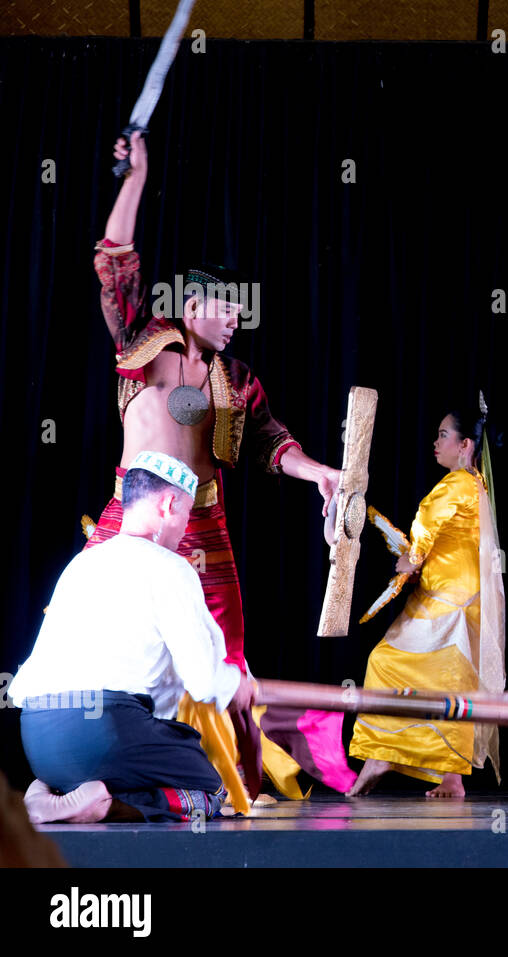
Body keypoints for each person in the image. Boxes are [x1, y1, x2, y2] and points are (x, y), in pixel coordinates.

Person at [88, 132, 347, 809]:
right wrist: (136, 176)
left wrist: (317, 472)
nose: (235, 320)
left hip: (203, 524)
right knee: (98, 624)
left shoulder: (237, 380)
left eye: (240, 310)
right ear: (194, 303)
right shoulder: (146, 342)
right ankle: (95, 766)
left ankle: (245, 785)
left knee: (228, 662)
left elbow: (269, 442)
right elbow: (114, 263)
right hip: (132, 513)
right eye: (226, 307)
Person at [10, 452, 255, 823]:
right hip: (100, 732)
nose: (186, 527)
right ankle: (97, 801)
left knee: (155, 741)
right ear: (169, 503)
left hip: (37, 737)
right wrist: (236, 685)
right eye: (187, 513)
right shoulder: (171, 568)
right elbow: (203, 680)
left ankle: (45, 791)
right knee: (211, 789)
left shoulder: (81, 565)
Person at [349, 404, 506, 798]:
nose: (436, 443)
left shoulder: (456, 484)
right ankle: (447, 774)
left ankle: (385, 755)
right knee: (452, 680)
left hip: (449, 599)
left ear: (464, 444)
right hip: (458, 595)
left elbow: (425, 529)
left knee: (386, 663)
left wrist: (410, 559)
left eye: (442, 435)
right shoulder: (476, 484)